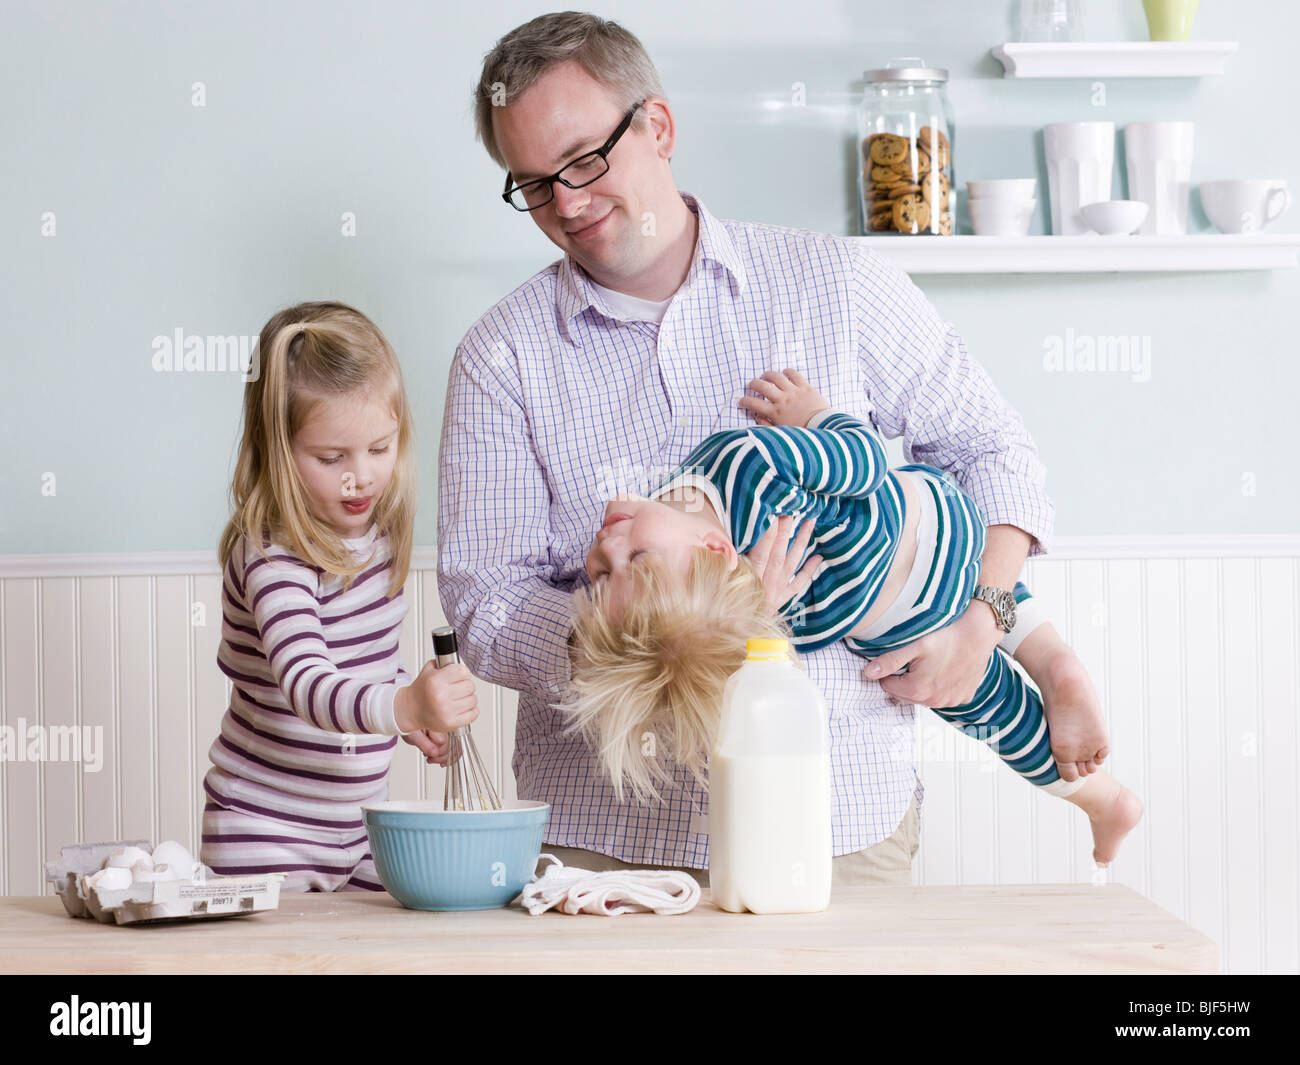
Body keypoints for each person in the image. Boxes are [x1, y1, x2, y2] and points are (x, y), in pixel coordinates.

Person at [438, 13, 1106, 884]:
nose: (565, 203)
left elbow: (995, 450)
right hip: (603, 846)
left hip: (840, 826)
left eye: (584, 160)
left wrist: (988, 621)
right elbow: (485, 604)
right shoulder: (500, 357)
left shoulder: (837, 284)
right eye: (532, 184)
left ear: (659, 127)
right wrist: (687, 620)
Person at [565, 367, 1143, 866]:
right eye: (606, 573)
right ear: (715, 549)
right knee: (979, 589)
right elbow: (865, 462)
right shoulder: (748, 463)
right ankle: (1051, 657)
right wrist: (817, 416)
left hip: (896, 623)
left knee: (984, 704)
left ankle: (1100, 797)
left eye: (632, 559)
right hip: (938, 525)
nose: (605, 548)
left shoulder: (740, 606)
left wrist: (756, 626)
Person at [201, 301, 478, 891]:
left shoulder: (376, 539)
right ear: (276, 449)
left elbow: (365, 659)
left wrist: (409, 717)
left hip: (356, 831)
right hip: (265, 833)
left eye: (380, 448)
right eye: (332, 459)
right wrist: (404, 704)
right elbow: (308, 683)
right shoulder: (273, 556)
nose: (362, 477)